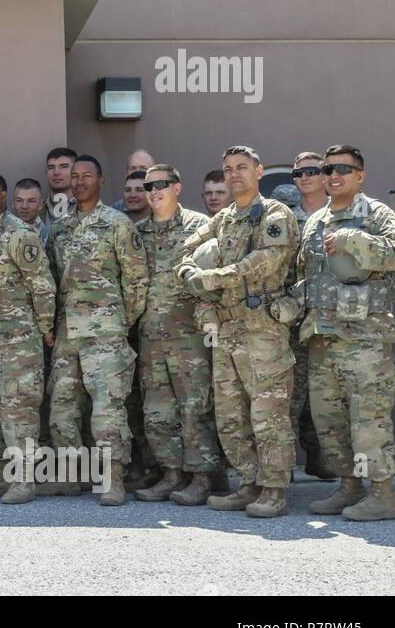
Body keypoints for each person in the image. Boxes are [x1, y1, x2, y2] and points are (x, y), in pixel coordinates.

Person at [177, 145, 299, 518]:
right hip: (225, 328)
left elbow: (267, 260)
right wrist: (187, 272)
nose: (234, 175)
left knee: (268, 413)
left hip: (262, 327)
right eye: (228, 169)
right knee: (231, 415)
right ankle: (247, 484)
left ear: (259, 171)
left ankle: (274, 490)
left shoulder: (276, 214)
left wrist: (213, 277)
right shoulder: (223, 218)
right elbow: (187, 249)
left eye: (242, 167)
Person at [297, 145, 395, 521]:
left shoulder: (375, 214)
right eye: (328, 168)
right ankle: (350, 486)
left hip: (365, 340)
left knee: (369, 421)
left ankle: (382, 494)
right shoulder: (315, 221)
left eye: (344, 169)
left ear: (360, 176)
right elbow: (306, 275)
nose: (334, 175)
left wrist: (353, 241)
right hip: (323, 339)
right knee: (329, 420)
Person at [45, 155, 148, 505]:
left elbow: (136, 281)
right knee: (61, 410)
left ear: (101, 181)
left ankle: (113, 478)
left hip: (105, 334)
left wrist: (120, 322)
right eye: (74, 176)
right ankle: (72, 477)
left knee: (108, 409)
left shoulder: (117, 224)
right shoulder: (59, 228)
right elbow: (52, 281)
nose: (79, 181)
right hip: (66, 335)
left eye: (87, 175)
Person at [133, 164, 223, 505]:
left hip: (190, 333)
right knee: (157, 408)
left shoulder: (200, 227)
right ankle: (171, 474)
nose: (154, 191)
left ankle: (202, 477)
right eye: (149, 186)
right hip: (151, 334)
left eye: (162, 184)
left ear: (177, 187)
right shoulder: (137, 232)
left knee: (195, 406)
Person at [0, 172, 55, 503]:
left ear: (3, 196)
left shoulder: (19, 234)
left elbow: (42, 284)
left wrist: (45, 327)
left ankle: (25, 479)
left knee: (19, 411)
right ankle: (3, 472)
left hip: (18, 340)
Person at [281, 151, 332, 479]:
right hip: (295, 321)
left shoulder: (340, 214)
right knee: (291, 395)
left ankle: (324, 457)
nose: (305, 177)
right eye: (298, 173)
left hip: (334, 319)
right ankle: (282, 467)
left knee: (329, 396)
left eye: (312, 171)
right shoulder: (286, 217)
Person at [41, 147, 77, 226]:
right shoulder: (35, 208)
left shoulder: (88, 208)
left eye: (64, 166)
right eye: (51, 167)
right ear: (46, 173)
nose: (56, 172)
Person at [12, 177, 50, 242]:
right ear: (13, 203)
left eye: (31, 201)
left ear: (40, 204)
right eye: (19, 200)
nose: (24, 206)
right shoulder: (4, 233)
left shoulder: (50, 236)